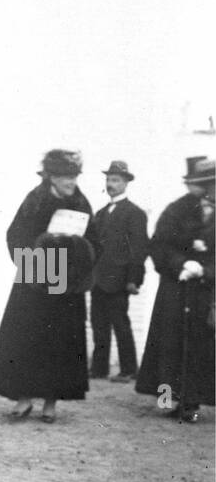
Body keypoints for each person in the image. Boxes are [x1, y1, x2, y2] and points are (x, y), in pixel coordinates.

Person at [0, 149, 98, 423]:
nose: (71, 182)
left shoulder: (82, 204)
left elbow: (96, 243)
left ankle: (51, 404)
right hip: (35, 280)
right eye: (64, 177)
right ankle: (23, 399)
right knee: (28, 339)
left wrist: (76, 249)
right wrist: (40, 249)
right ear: (51, 178)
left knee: (61, 342)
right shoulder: (34, 201)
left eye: (73, 176)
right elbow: (15, 236)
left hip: (66, 283)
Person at [135, 156, 215, 423]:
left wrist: (205, 270)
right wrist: (181, 263)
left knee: (200, 346)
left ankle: (191, 403)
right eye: (201, 184)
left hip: (206, 291)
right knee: (169, 345)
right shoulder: (175, 211)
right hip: (175, 288)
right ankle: (167, 398)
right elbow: (158, 246)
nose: (206, 190)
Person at [88, 160, 148, 381]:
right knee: (98, 324)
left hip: (120, 280)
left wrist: (134, 279)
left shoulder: (135, 213)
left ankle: (129, 369)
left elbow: (139, 248)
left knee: (120, 324)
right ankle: (99, 368)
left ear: (126, 183)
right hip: (98, 279)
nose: (111, 184)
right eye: (108, 179)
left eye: (115, 180)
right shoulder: (101, 213)